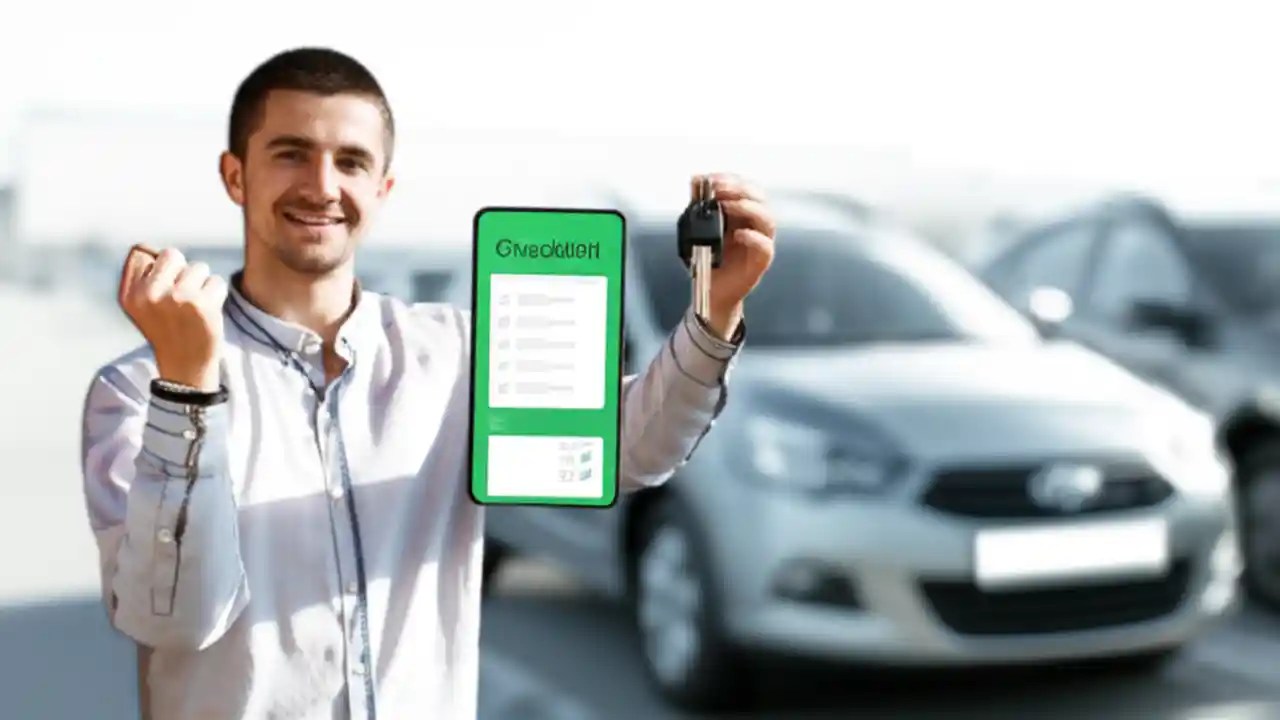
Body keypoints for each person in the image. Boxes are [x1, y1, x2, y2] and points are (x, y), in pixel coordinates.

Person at [80, 46, 776, 719]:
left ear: (381, 189)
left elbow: (630, 450)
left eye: (350, 161)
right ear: (236, 176)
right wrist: (191, 393)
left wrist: (714, 317)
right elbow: (173, 619)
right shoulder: (138, 391)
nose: (323, 185)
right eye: (291, 153)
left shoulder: (458, 353)